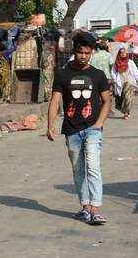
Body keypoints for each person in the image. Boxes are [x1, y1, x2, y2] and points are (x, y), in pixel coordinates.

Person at [46, 32, 112, 225]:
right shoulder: (63, 74)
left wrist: (99, 124)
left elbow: (107, 101)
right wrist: (50, 125)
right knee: (78, 169)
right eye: (79, 52)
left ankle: (96, 209)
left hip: (93, 128)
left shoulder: (98, 75)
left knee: (93, 166)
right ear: (74, 51)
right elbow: (55, 100)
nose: (83, 56)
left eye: (86, 52)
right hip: (71, 129)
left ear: (92, 52)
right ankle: (85, 208)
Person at [111, 46, 138, 119]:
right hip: (120, 81)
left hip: (129, 81)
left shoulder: (130, 62)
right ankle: (125, 111)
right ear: (119, 54)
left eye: (124, 52)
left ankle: (127, 112)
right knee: (121, 98)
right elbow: (113, 72)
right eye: (121, 53)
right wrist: (115, 79)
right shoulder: (116, 63)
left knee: (128, 97)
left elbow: (135, 72)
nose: (123, 54)